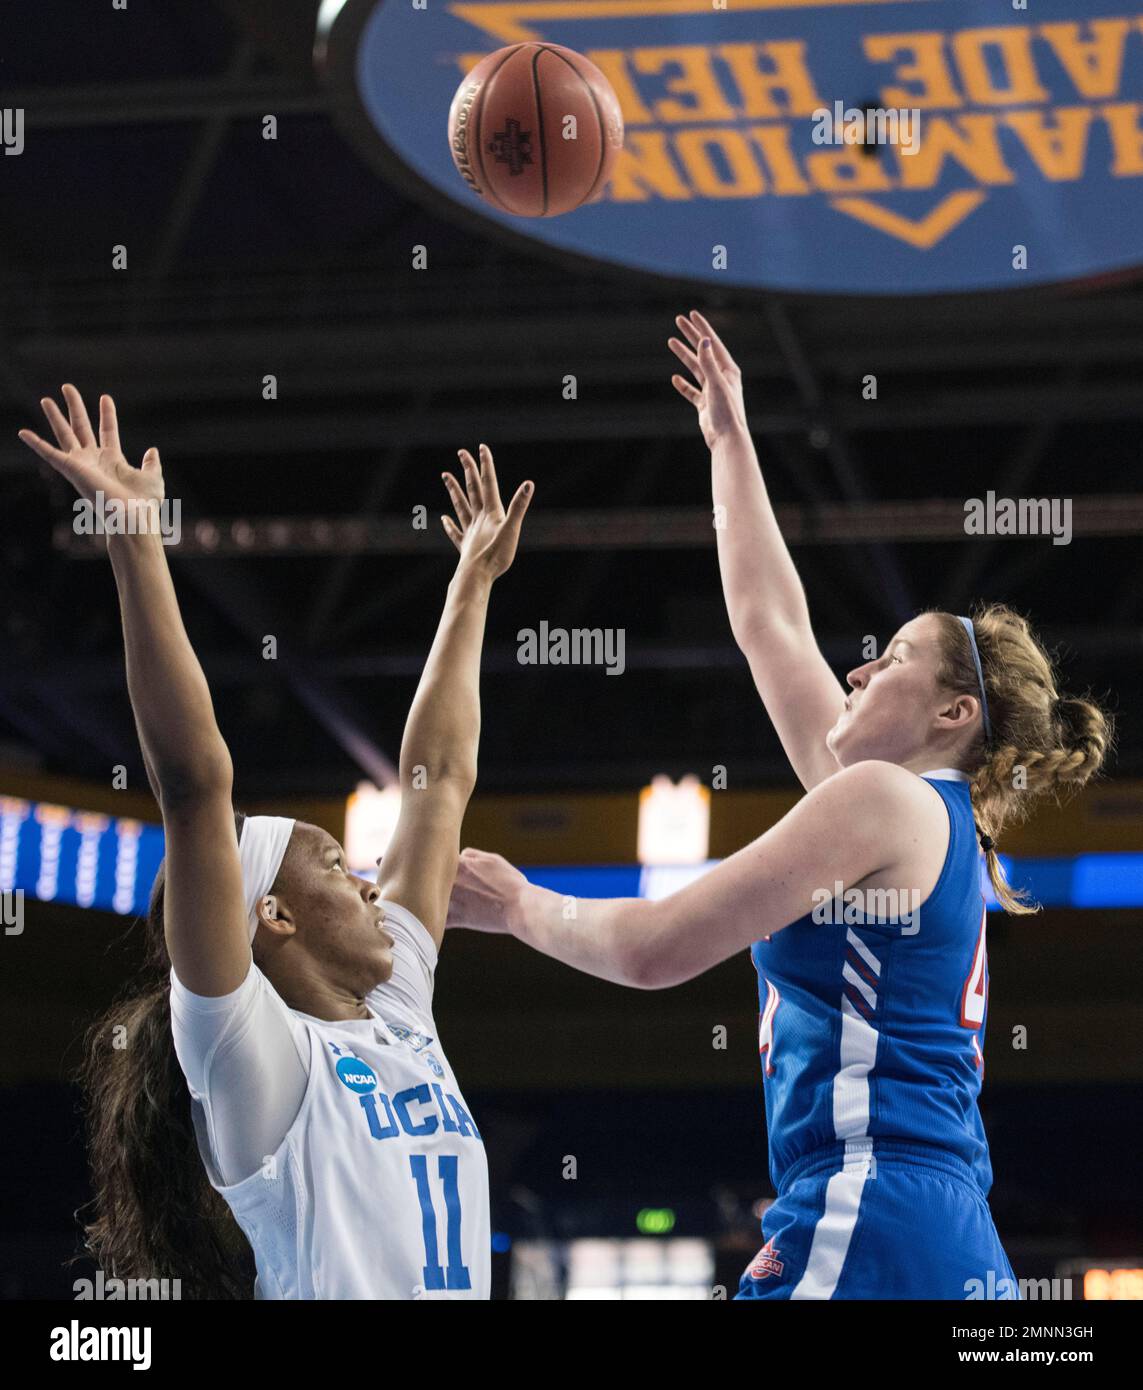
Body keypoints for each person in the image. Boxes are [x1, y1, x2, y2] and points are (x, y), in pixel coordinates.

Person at [445, 313, 1113, 1299]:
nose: (856, 667)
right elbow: (769, 625)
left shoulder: (886, 801)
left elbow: (653, 949)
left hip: (867, 1211)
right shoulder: (910, 814)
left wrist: (514, 905)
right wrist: (729, 440)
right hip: (932, 1231)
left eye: (887, 659)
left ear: (951, 712)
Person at [20, 389, 531, 1298]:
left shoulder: (397, 1010)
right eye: (338, 864)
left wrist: (470, 588)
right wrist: (136, 537)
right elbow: (191, 783)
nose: (375, 886)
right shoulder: (255, 1058)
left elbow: (439, 780)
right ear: (273, 915)